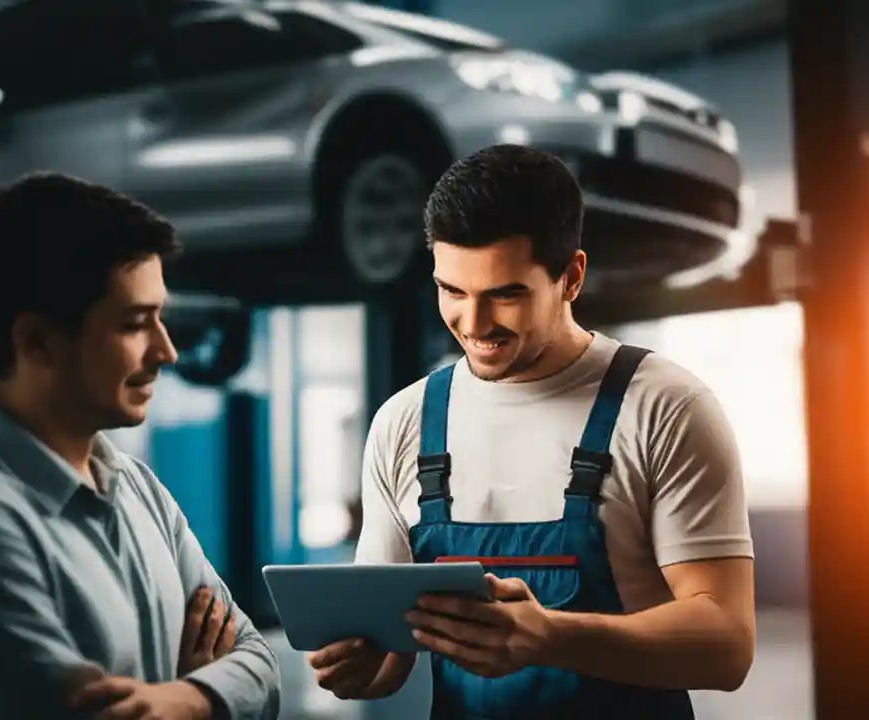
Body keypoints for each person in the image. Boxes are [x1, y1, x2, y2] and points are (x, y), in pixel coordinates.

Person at [309, 144, 755, 718]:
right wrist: (359, 664)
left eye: (506, 294)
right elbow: (387, 657)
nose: (473, 324)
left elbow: (726, 645)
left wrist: (550, 636)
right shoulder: (405, 422)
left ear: (571, 277)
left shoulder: (665, 408)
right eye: (452, 291)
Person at [0, 173, 280, 720]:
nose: (166, 351)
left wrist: (188, 699)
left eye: (161, 320)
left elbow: (261, 666)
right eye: (135, 324)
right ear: (36, 341)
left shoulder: (140, 489)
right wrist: (212, 696)